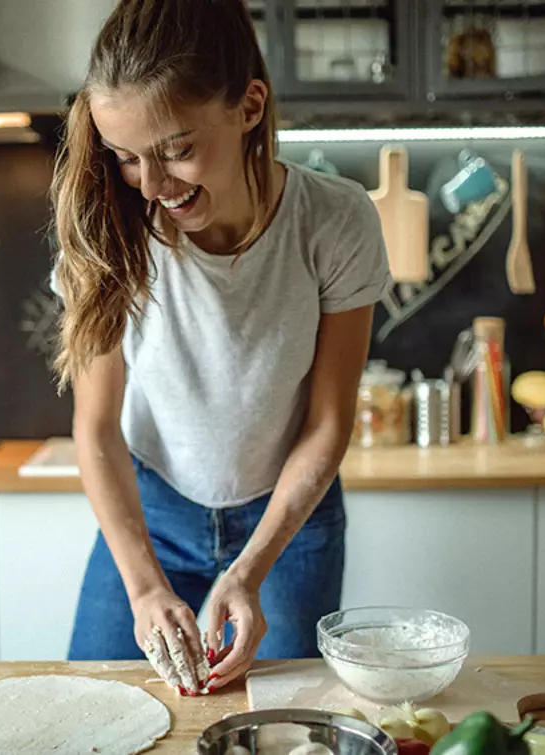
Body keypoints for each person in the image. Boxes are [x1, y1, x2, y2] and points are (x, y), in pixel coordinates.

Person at [48, 0, 391, 696]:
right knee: (98, 706)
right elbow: (95, 425)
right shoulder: (109, 228)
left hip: (289, 524)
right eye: (126, 158)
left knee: (287, 725)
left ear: (249, 106)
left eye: (176, 149)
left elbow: (328, 420)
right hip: (151, 510)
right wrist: (145, 589)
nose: (153, 184)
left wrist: (251, 568)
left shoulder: (335, 220)